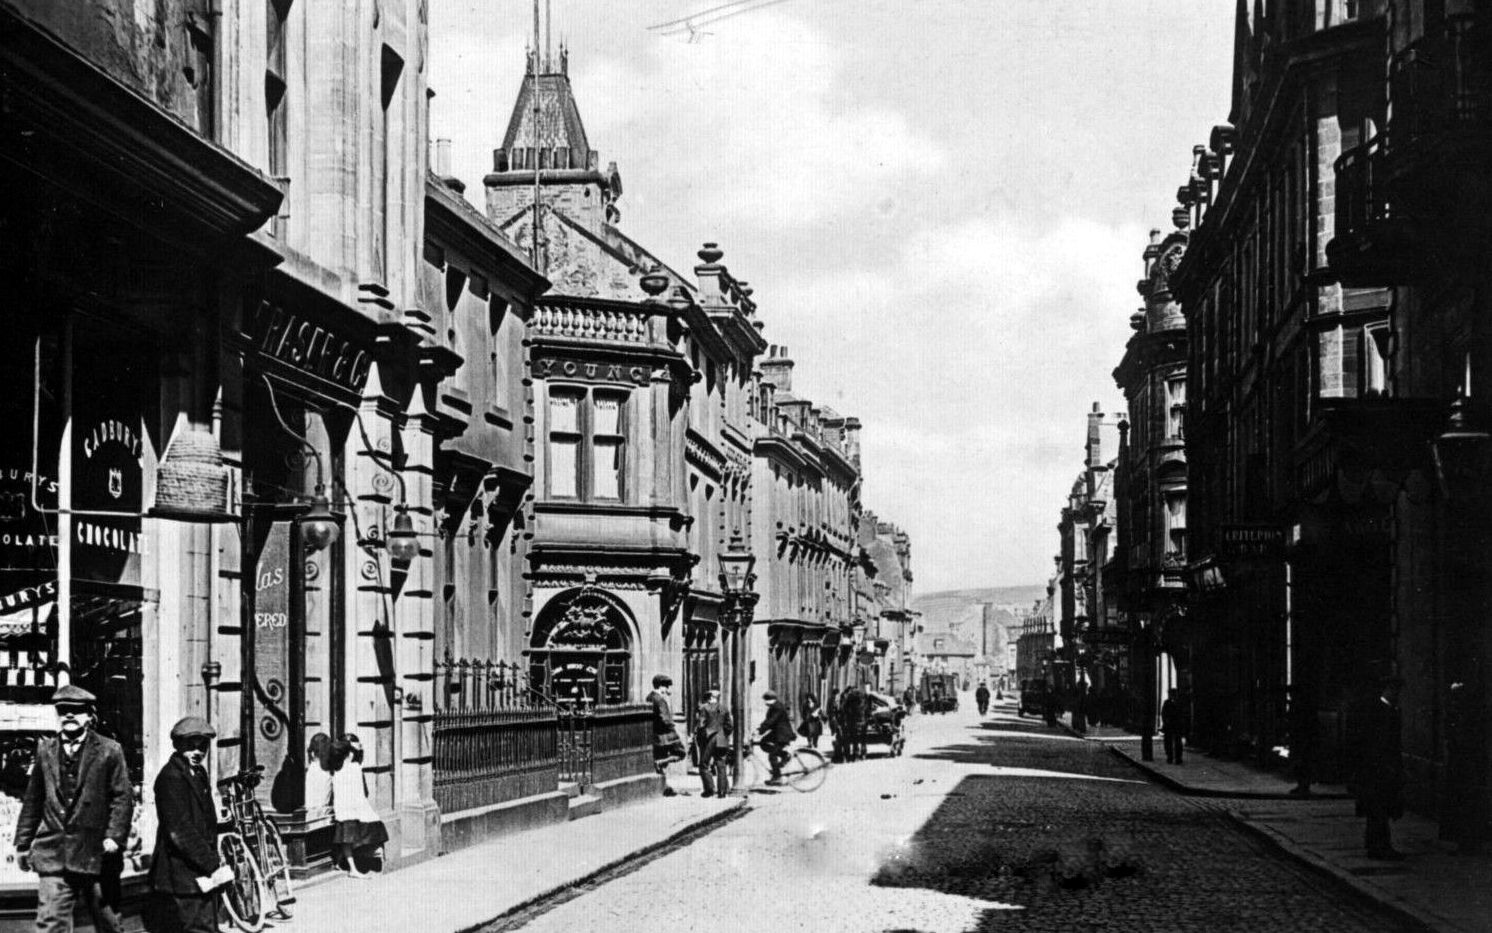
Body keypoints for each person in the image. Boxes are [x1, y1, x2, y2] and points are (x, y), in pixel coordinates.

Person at [13, 685, 132, 933]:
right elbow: (33, 799)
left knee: (108, 923)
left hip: (96, 853)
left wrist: (114, 836)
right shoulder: (46, 750)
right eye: (63, 710)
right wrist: (23, 843)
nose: (69, 716)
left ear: (90, 716)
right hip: (54, 853)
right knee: (50, 925)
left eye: (76, 711)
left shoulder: (110, 750)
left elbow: (122, 798)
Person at [151, 717, 231, 933]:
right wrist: (213, 864)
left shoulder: (198, 773)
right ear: (178, 746)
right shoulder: (171, 778)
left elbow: (205, 820)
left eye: (202, 746)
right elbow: (180, 832)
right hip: (182, 874)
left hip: (199, 871)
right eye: (190, 746)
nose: (197, 752)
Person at [1348, 675, 1406, 860]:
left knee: (1379, 810)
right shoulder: (1379, 712)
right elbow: (1376, 743)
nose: (1396, 694)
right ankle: (1379, 846)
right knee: (1378, 810)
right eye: (1394, 690)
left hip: (1382, 769)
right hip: (1377, 769)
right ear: (1387, 689)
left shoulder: (1389, 710)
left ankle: (1377, 845)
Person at [330, 734, 389, 877]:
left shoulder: (335, 771)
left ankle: (347, 864)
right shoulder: (356, 768)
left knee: (346, 838)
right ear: (350, 754)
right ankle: (354, 867)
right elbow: (365, 791)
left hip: (343, 811)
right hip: (356, 810)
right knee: (358, 833)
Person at [646, 675, 687, 795]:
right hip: (666, 736)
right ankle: (661, 763)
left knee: (660, 758)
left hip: (655, 735)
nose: (668, 689)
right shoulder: (660, 700)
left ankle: (664, 787)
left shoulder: (649, 697)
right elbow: (665, 719)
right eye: (667, 686)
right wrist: (672, 728)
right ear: (661, 686)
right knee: (681, 753)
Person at [693, 689, 734, 798]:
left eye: (707, 699)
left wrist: (700, 738)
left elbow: (701, 725)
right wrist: (724, 735)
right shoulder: (725, 709)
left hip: (709, 738)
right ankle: (722, 792)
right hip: (722, 739)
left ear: (710, 698)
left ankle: (709, 789)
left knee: (703, 764)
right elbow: (729, 726)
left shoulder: (704, 708)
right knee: (721, 764)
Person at [756, 691, 796, 784]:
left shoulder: (777, 707)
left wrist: (760, 730)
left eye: (765, 700)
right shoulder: (774, 706)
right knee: (763, 743)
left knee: (772, 755)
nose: (765, 703)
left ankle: (777, 777)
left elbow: (771, 721)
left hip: (782, 734)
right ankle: (783, 754)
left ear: (770, 700)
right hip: (777, 732)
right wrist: (760, 729)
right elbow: (768, 721)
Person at [305, 732, 334, 814]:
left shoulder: (312, 768)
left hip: (312, 812)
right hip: (321, 814)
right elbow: (323, 800)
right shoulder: (323, 771)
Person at [1161, 689, 1187, 765]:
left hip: (1177, 725)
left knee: (1178, 742)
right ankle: (1170, 757)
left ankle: (1178, 758)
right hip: (1169, 725)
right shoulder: (1166, 703)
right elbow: (1163, 713)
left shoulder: (1179, 703)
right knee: (1168, 742)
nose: (1172, 695)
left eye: (1173, 694)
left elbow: (1182, 713)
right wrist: (1165, 721)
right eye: (1170, 694)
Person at [841, 686, 867, 761]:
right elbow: (865, 708)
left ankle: (849, 755)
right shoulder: (862, 697)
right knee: (861, 738)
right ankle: (859, 754)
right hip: (862, 721)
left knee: (850, 738)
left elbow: (844, 708)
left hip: (852, 721)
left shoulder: (850, 697)